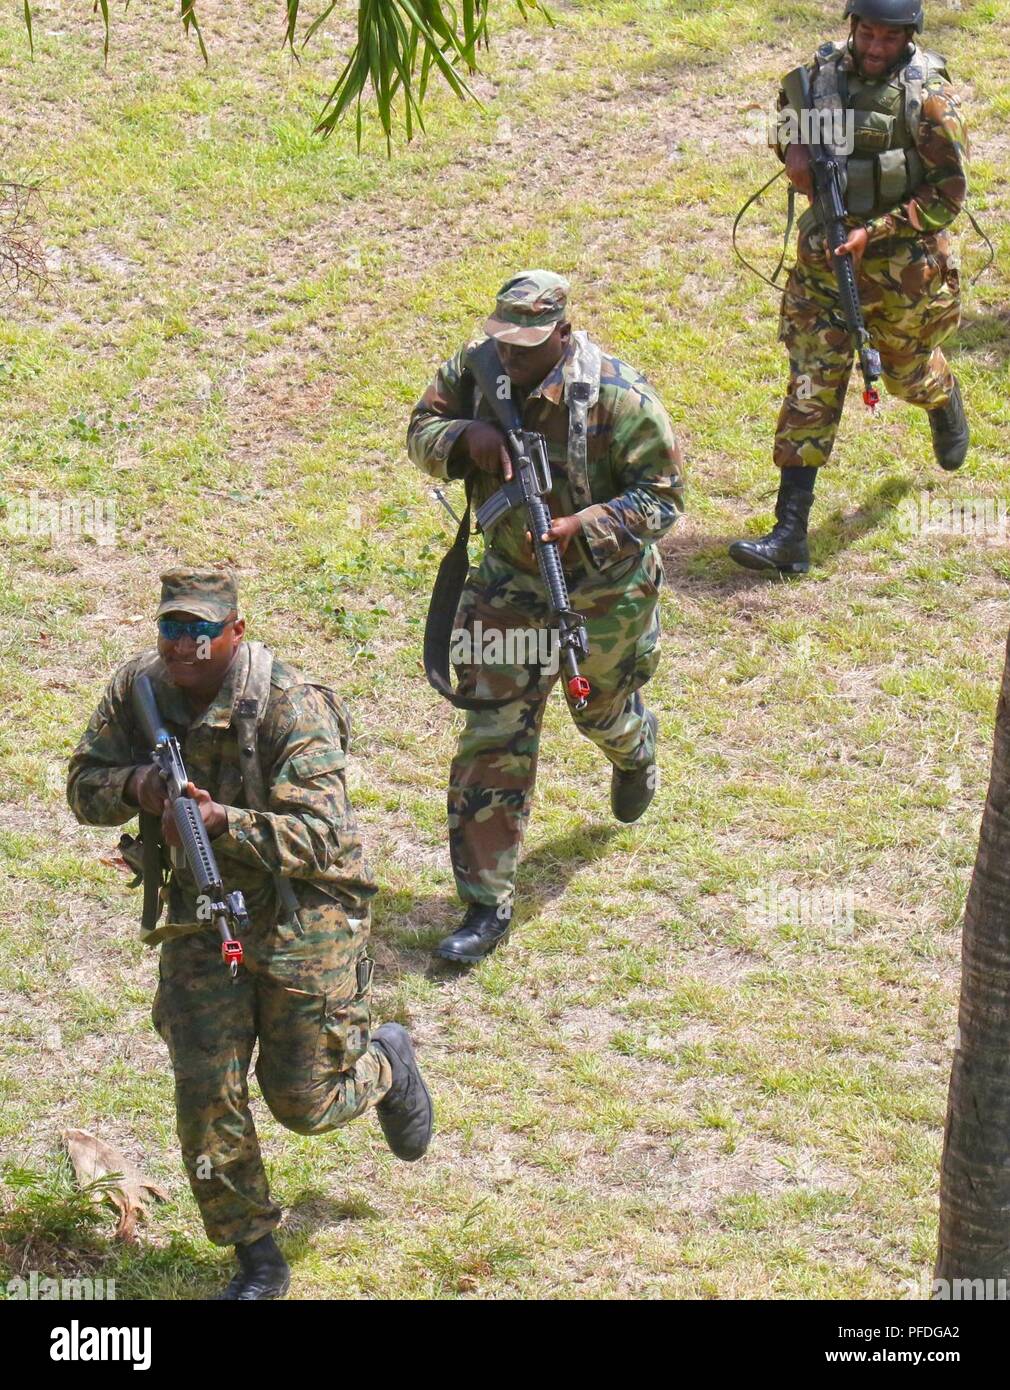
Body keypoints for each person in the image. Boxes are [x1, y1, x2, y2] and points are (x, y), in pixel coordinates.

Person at [67, 566, 432, 1300]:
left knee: (305, 1102)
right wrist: (140, 788)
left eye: (201, 631)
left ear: (236, 631)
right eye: (172, 629)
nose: (184, 646)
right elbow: (82, 785)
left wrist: (220, 823)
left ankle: (386, 1064)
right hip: (203, 914)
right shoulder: (137, 691)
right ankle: (255, 1254)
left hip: (305, 911)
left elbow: (324, 836)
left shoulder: (289, 705)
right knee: (206, 1086)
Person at [408, 270, 685, 964]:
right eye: (503, 341)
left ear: (563, 333)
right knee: (493, 736)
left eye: (527, 346)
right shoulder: (474, 371)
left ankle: (634, 747)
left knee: (597, 709)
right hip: (507, 586)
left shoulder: (619, 397)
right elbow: (420, 431)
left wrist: (581, 526)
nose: (511, 356)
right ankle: (484, 905)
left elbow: (665, 497)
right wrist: (463, 437)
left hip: (602, 592)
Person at [730, 0, 969, 577]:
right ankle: (790, 535)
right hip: (824, 262)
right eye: (867, 32)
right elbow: (787, 119)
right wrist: (791, 150)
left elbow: (948, 196)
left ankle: (939, 394)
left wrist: (876, 230)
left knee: (902, 371)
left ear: (908, 37)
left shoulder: (928, 101)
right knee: (814, 374)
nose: (875, 46)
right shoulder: (820, 80)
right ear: (852, 27)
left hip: (902, 272)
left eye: (889, 37)